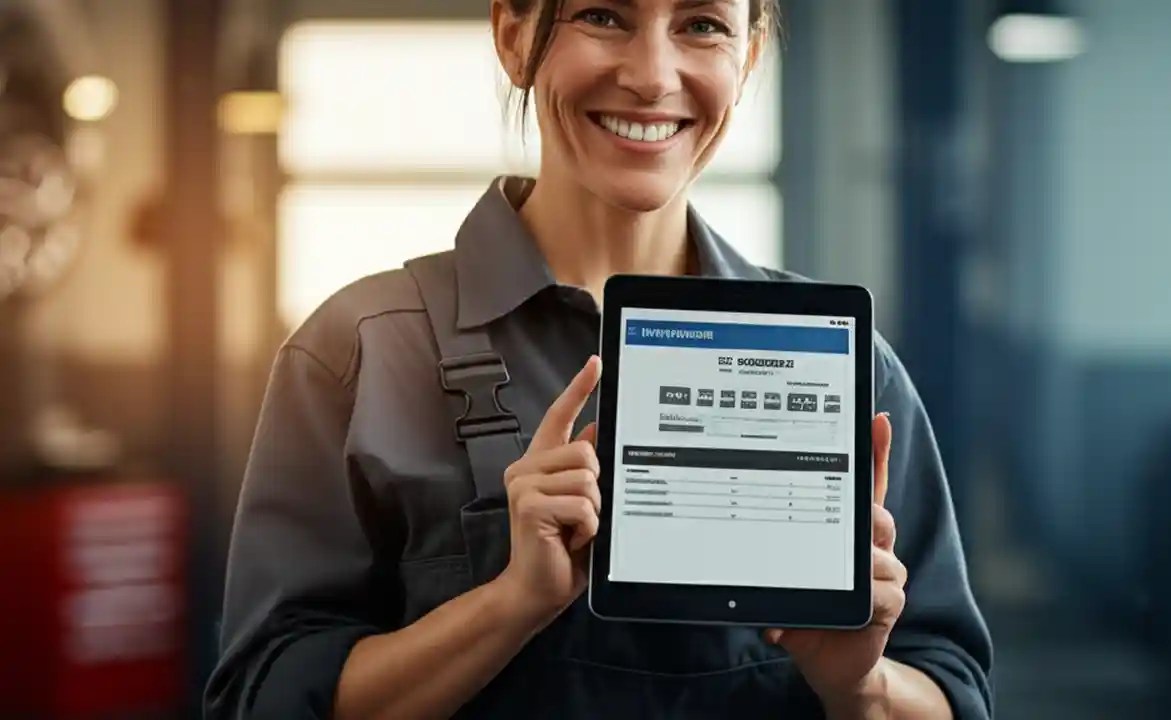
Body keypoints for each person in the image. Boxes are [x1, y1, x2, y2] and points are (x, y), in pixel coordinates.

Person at [204, 0, 993, 717]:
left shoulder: (847, 368)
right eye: (603, 15)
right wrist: (509, 602)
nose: (652, 76)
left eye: (703, 25)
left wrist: (863, 685)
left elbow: (952, 688)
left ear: (748, 57)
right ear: (514, 38)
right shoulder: (362, 349)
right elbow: (266, 697)